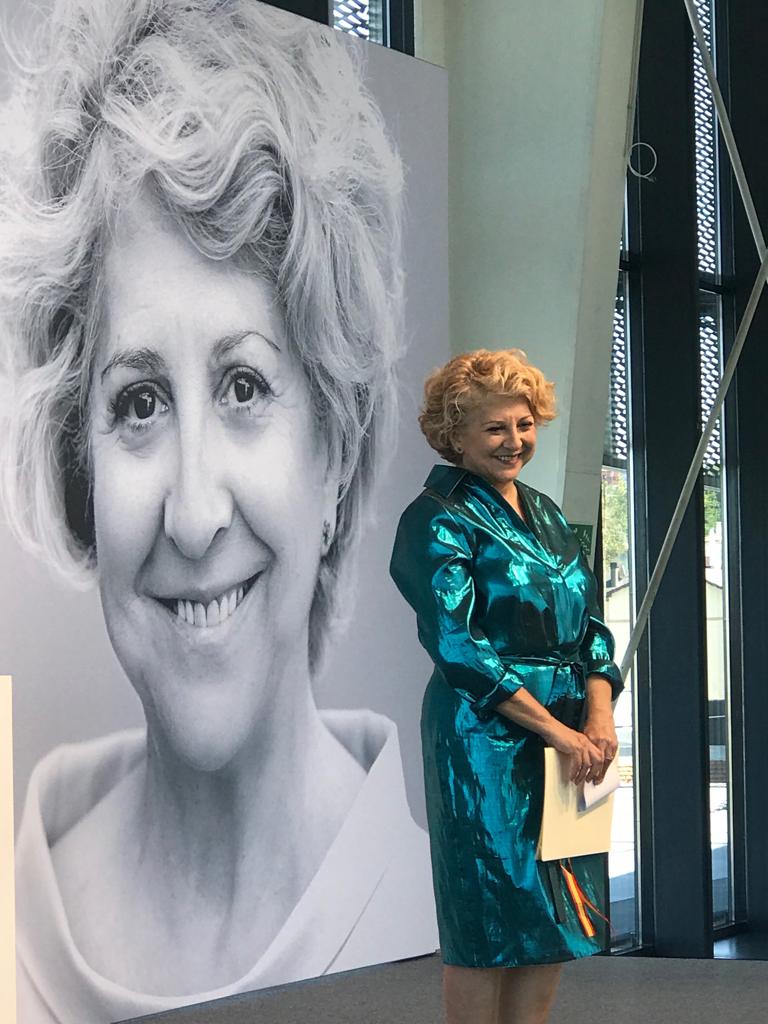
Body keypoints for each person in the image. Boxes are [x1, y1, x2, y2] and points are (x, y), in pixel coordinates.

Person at [0, 2, 437, 1021]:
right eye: (138, 403)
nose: (193, 515)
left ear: (333, 448)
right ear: (80, 468)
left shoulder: (434, 911)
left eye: (244, 386)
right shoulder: (13, 915)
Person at [390, 348, 624, 1024]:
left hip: (579, 733)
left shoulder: (549, 516)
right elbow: (460, 648)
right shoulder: (435, 517)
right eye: (495, 428)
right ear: (454, 433)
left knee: (559, 912)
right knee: (489, 918)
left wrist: (599, 723)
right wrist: (559, 734)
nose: (514, 441)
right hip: (484, 736)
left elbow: (591, 634)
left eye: (523, 424)